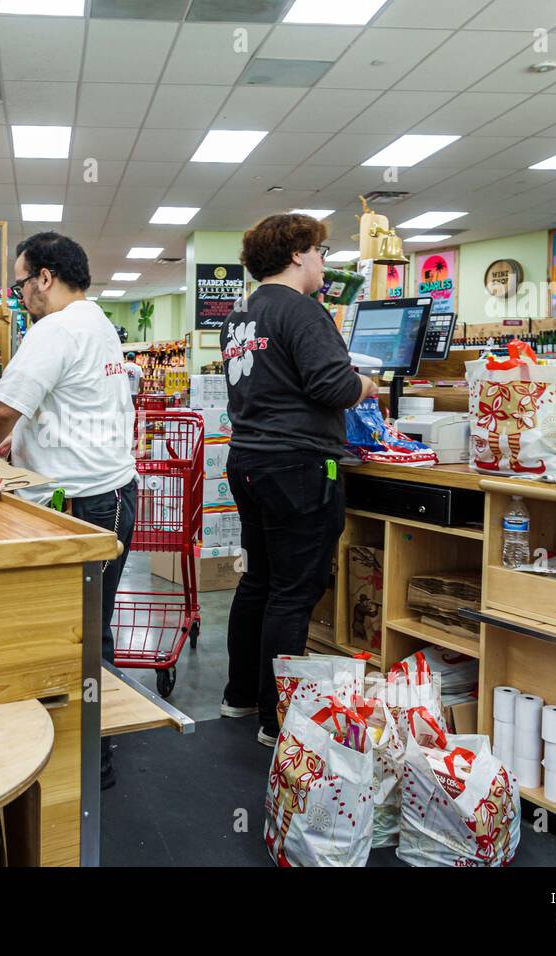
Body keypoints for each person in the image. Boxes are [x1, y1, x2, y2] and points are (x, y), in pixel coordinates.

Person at [0, 231, 136, 789]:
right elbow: (65, 405)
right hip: (111, 497)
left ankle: (90, 760)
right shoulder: (98, 322)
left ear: (45, 276)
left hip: (80, 506)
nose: (20, 297)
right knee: (91, 628)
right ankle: (92, 749)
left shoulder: (55, 329)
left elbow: (2, 409)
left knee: (78, 634)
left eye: (21, 285)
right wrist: (19, 447)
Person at [218, 213, 377, 746]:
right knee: (293, 590)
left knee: (259, 581)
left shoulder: (241, 314)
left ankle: (240, 696)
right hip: (299, 467)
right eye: (321, 252)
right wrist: (367, 385)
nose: (323, 262)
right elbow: (331, 385)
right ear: (297, 254)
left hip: (249, 462)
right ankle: (277, 721)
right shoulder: (305, 312)